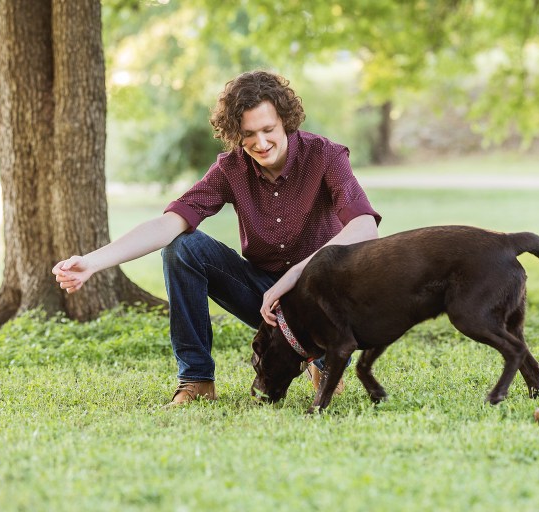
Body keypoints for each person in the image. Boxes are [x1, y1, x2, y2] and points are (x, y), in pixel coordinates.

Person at [52, 70, 381, 406]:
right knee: (182, 247)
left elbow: (364, 226)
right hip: (264, 298)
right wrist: (92, 262)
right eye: (249, 134)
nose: (261, 143)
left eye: (268, 130)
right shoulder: (231, 169)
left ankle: (320, 357)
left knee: (323, 333)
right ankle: (196, 379)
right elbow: (169, 223)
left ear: (285, 121)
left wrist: (294, 275)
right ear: (235, 133)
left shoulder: (325, 156)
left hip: (321, 299)